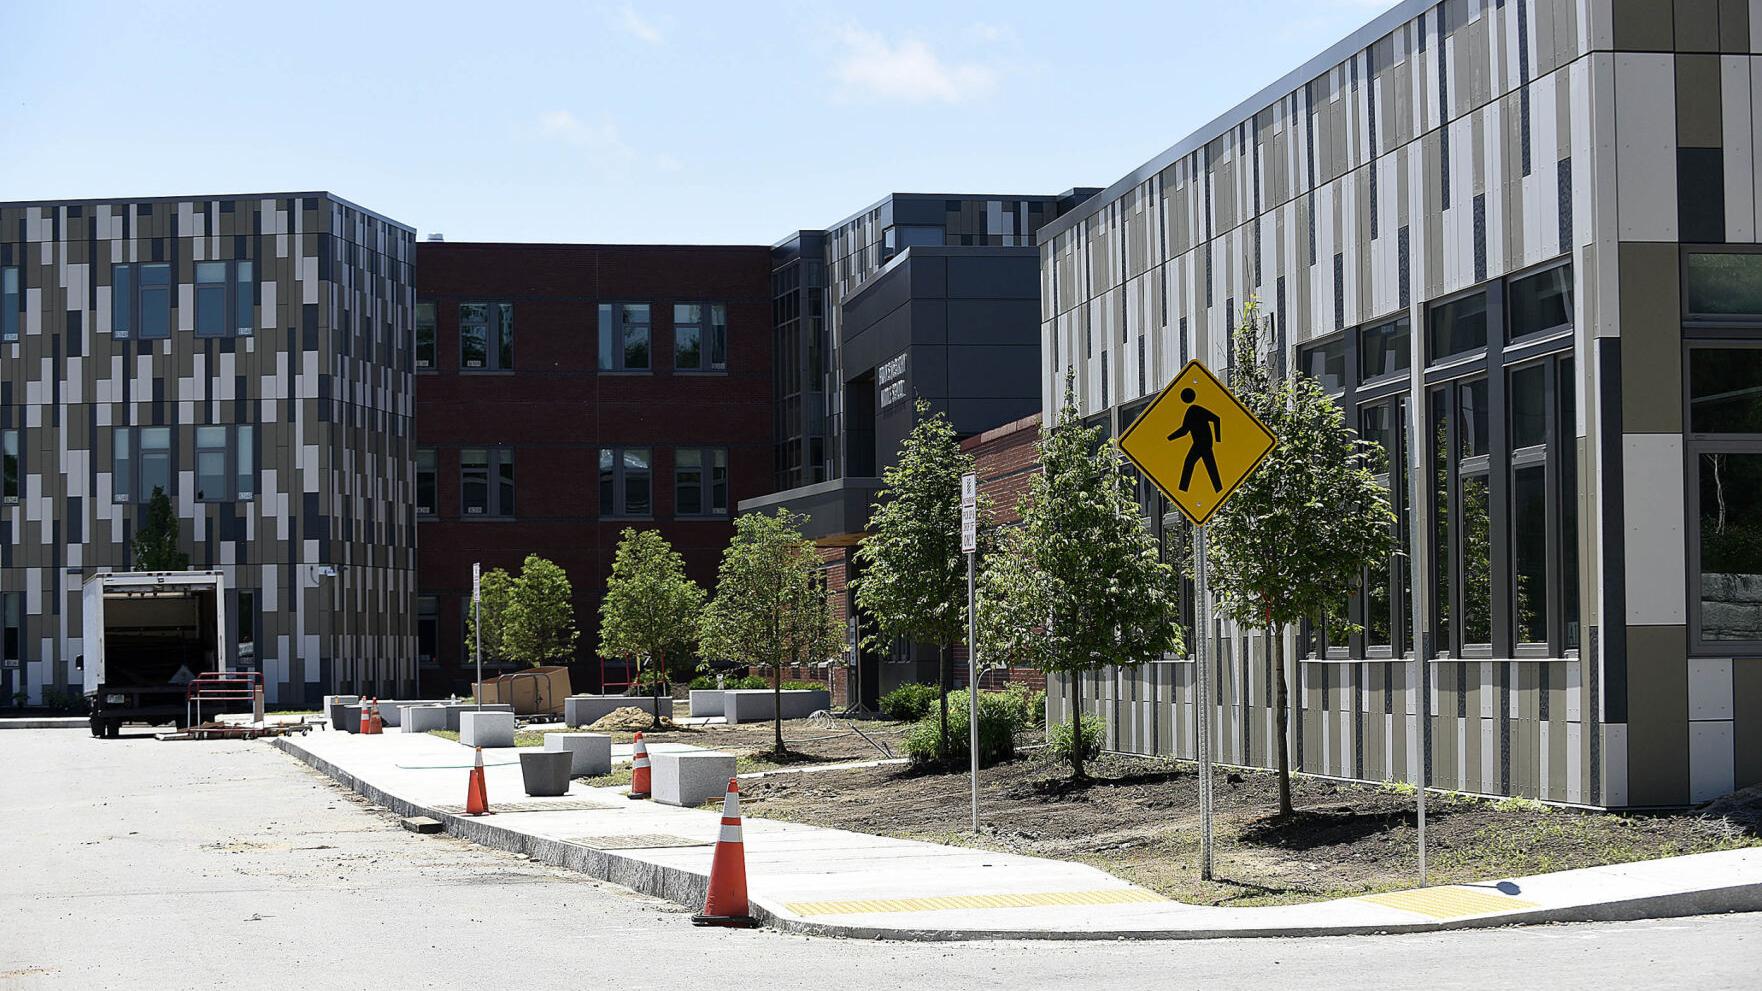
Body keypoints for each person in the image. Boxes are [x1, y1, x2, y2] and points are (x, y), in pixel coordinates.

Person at [1167, 388, 1223, 492]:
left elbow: (1216, 419)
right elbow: (1184, 430)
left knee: (1191, 463)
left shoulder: (1195, 410)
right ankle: (1218, 489)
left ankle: (1183, 489)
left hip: (1203, 443)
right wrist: (1169, 438)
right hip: (1201, 443)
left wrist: (1218, 439)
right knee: (1208, 467)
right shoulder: (1192, 410)